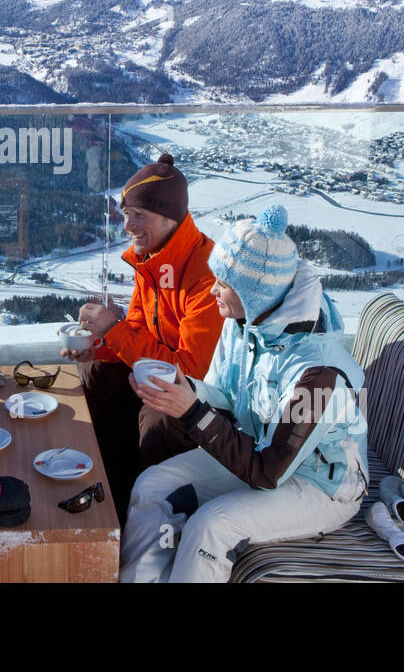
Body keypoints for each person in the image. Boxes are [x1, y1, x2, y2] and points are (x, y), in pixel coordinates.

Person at [119, 204, 368, 583]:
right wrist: (183, 389)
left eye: (224, 283)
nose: (213, 289)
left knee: (210, 527)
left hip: (320, 485)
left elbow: (269, 472)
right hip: (261, 450)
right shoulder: (244, 323)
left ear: (255, 294)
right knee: (151, 488)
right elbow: (225, 393)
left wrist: (191, 412)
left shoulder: (318, 373)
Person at [61, 153, 224, 522]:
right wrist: (100, 347)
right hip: (161, 375)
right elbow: (137, 329)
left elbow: (192, 370)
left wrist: (113, 330)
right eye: (125, 214)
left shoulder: (205, 276)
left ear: (170, 217)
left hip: (205, 395)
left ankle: (151, 512)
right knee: (96, 374)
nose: (128, 225)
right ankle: (109, 480)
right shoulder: (153, 259)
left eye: (138, 215)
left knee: (158, 415)